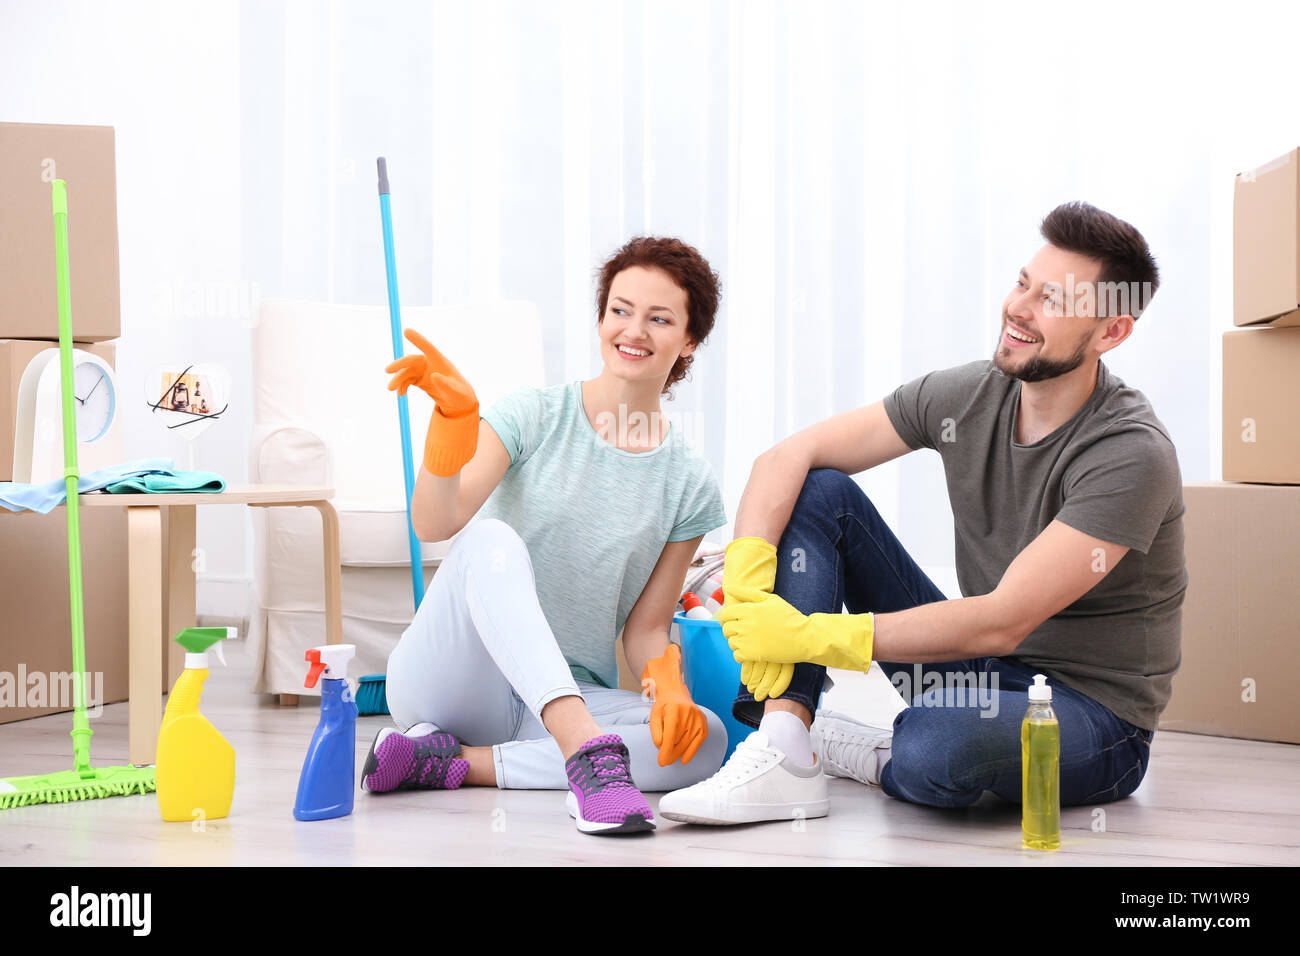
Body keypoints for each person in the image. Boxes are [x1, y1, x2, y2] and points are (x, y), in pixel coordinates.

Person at [660, 201, 1187, 824]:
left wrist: (815, 637)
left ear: (1110, 332)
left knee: (935, 751)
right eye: (1022, 282)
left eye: (1054, 300)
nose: (1019, 307)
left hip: (1092, 716)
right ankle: (785, 749)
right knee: (820, 489)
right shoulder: (969, 394)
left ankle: (872, 747)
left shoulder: (1129, 452)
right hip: (981, 674)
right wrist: (749, 591)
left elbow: (1002, 621)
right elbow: (787, 456)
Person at [366, 236, 729, 835]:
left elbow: (645, 629)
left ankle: (448, 763)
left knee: (705, 741)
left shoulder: (689, 481)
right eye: (620, 310)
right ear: (601, 317)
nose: (633, 330)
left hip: (564, 697)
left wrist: (669, 688)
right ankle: (587, 759)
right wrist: (451, 429)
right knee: (491, 541)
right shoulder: (535, 415)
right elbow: (435, 523)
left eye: (659, 318)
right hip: (456, 681)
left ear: (689, 340)